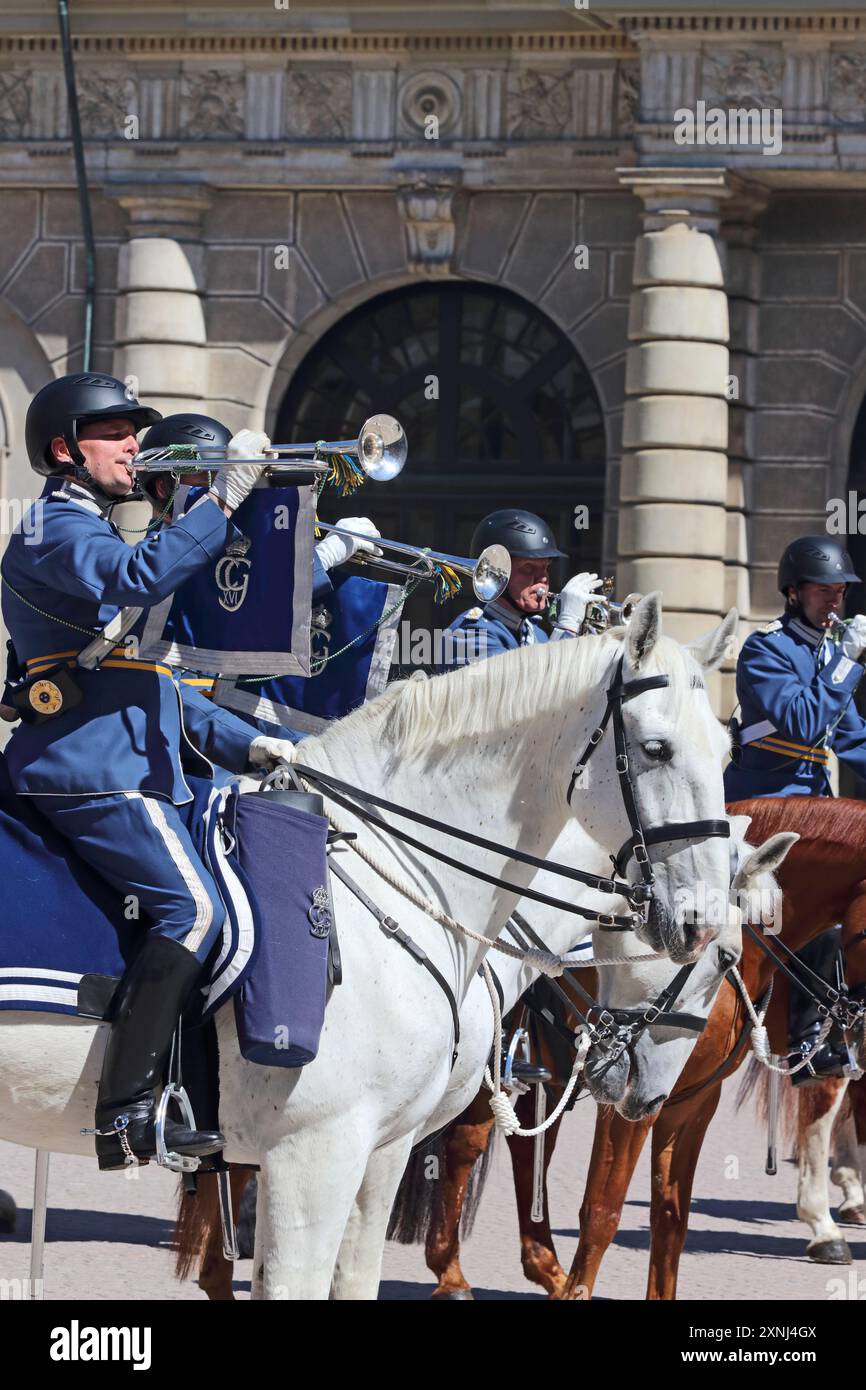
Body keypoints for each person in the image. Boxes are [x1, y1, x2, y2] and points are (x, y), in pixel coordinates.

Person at [0, 373, 302, 1169]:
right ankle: (125, 1111)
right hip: (87, 771)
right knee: (195, 911)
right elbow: (140, 579)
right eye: (117, 432)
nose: (137, 443)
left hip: (125, 760)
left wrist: (249, 746)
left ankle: (197, 1084)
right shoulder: (50, 530)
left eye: (137, 430)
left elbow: (142, 680)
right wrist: (224, 499)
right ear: (66, 449)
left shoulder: (91, 533)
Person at [136, 411, 382, 741]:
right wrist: (325, 555)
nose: (238, 487)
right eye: (215, 477)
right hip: (187, 751)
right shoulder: (156, 558)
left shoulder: (224, 552)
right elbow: (254, 614)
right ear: (167, 486)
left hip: (238, 740)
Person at [725, 534, 866, 1082]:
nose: (835, 602)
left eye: (840, 593)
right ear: (793, 592)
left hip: (811, 808)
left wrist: (840, 664)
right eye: (824, 592)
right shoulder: (765, 649)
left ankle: (834, 1023)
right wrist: (846, 664)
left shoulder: (830, 654)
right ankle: (804, 1035)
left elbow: (852, 739)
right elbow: (804, 723)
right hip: (760, 808)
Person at [441, 508, 602, 668]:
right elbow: (532, 689)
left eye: (546, 568)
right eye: (528, 568)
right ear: (494, 574)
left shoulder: (536, 634)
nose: (543, 578)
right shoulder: (469, 635)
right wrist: (567, 626)